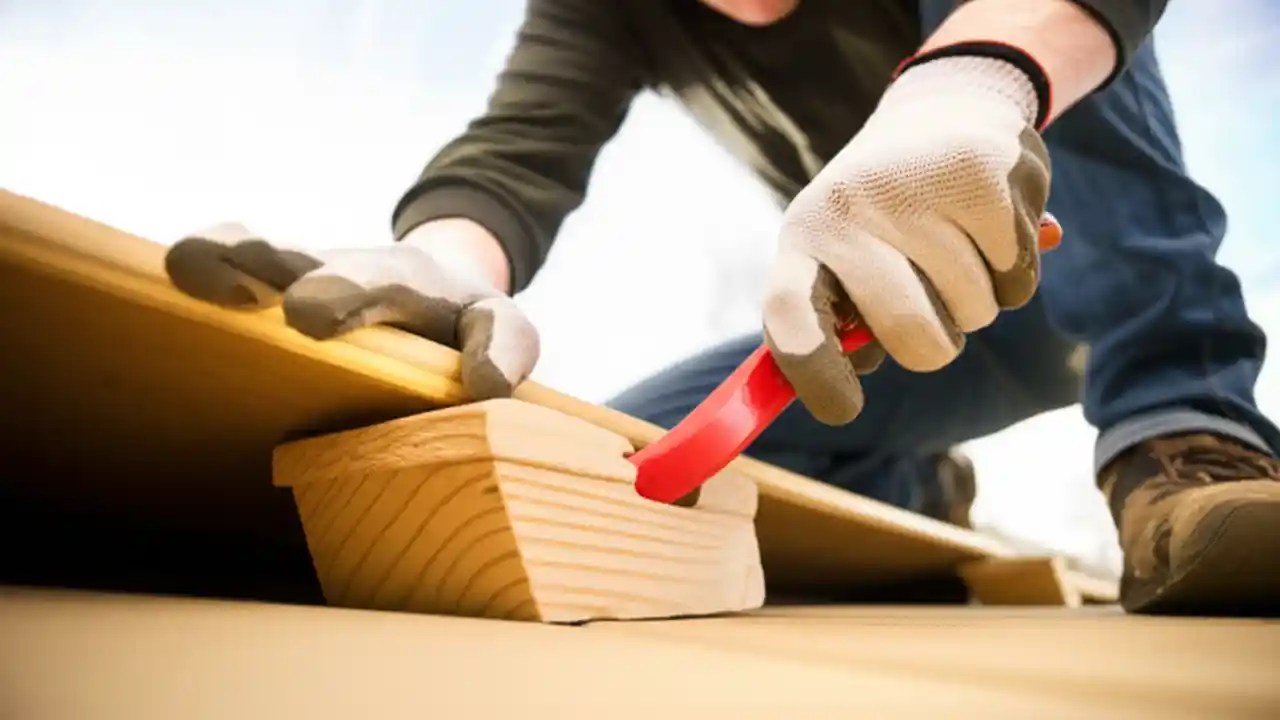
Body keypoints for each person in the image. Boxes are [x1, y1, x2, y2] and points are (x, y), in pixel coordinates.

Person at [163, 0, 1280, 614]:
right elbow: (516, 151)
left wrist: (972, 78)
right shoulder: (606, 15)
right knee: (632, 461)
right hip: (898, 325)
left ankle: (1186, 443)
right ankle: (905, 479)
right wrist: (445, 259)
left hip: (1099, 275)